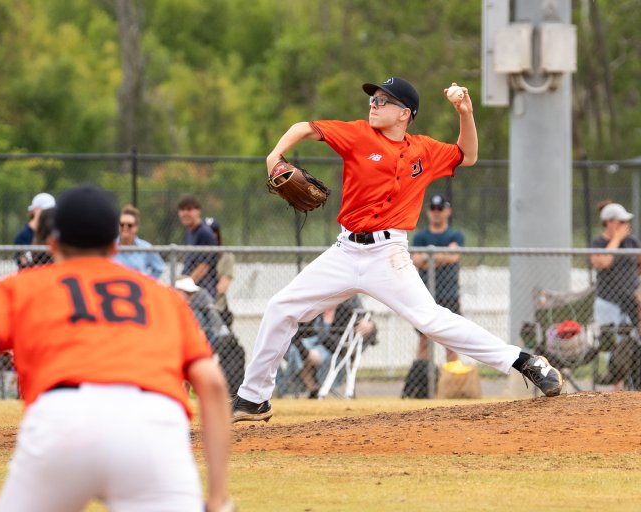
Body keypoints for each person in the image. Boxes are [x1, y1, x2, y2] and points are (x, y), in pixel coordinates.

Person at [232, 77, 563, 423]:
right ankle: (254, 398)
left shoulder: (423, 150)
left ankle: (525, 362)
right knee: (281, 307)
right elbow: (305, 127)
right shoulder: (358, 134)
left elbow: (468, 155)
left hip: (387, 255)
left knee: (431, 320)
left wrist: (465, 112)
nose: (373, 105)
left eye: (382, 101)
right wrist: (274, 155)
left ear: (404, 113)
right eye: (372, 99)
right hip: (344, 252)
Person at [0, 185, 233, 512]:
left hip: (62, 422)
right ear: (114, 247)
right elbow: (213, 385)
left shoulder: (20, 288)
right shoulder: (164, 298)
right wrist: (217, 496)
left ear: (52, 242)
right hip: (153, 428)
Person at [403, 193, 463, 398]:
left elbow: (454, 256)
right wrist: (440, 256)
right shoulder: (420, 237)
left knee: (451, 342)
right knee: (423, 341)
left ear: (448, 211)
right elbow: (416, 261)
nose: (437, 213)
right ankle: (422, 388)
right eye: (433, 209)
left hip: (449, 295)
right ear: (429, 212)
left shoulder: (455, 235)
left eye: (441, 209)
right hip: (425, 296)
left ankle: (453, 389)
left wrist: (430, 257)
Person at [279, 295, 377, 398]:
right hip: (311, 342)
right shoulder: (316, 307)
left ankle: (302, 384)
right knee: (295, 349)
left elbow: (366, 323)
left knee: (310, 352)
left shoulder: (346, 309)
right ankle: (311, 387)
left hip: (331, 347)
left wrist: (371, 326)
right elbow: (300, 330)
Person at [589, 201, 641, 390]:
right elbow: (603, 262)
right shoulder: (599, 243)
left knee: (632, 342)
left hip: (630, 301)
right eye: (621, 221)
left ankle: (633, 386)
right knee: (611, 343)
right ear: (610, 222)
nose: (625, 225)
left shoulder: (632, 242)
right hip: (608, 302)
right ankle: (616, 389)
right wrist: (616, 239)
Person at [175, 276, 245, 399]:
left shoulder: (195, 307)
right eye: (186, 293)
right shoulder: (168, 304)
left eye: (191, 293)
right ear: (177, 291)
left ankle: (190, 396)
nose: (190, 297)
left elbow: (214, 321)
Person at [177, 195, 219, 299]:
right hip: (190, 287)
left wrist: (186, 286)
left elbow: (204, 266)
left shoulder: (204, 233)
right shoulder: (189, 232)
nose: (185, 213)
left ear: (198, 211)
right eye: (182, 210)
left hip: (202, 290)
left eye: (189, 209)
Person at [113, 204, 166, 279]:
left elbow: (159, 268)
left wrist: (147, 283)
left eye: (129, 225)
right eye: (122, 224)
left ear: (136, 227)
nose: (125, 227)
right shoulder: (109, 247)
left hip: (137, 289)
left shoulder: (146, 248)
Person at [205, 217, 236, 328]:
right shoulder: (196, 255)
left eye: (213, 232)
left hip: (217, 306)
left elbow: (222, 287)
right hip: (197, 306)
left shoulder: (226, 256)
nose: (210, 235)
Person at [14, 192, 56, 269]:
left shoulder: (52, 232)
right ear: (35, 210)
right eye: (46, 210)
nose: (49, 213)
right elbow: (23, 262)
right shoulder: (24, 235)